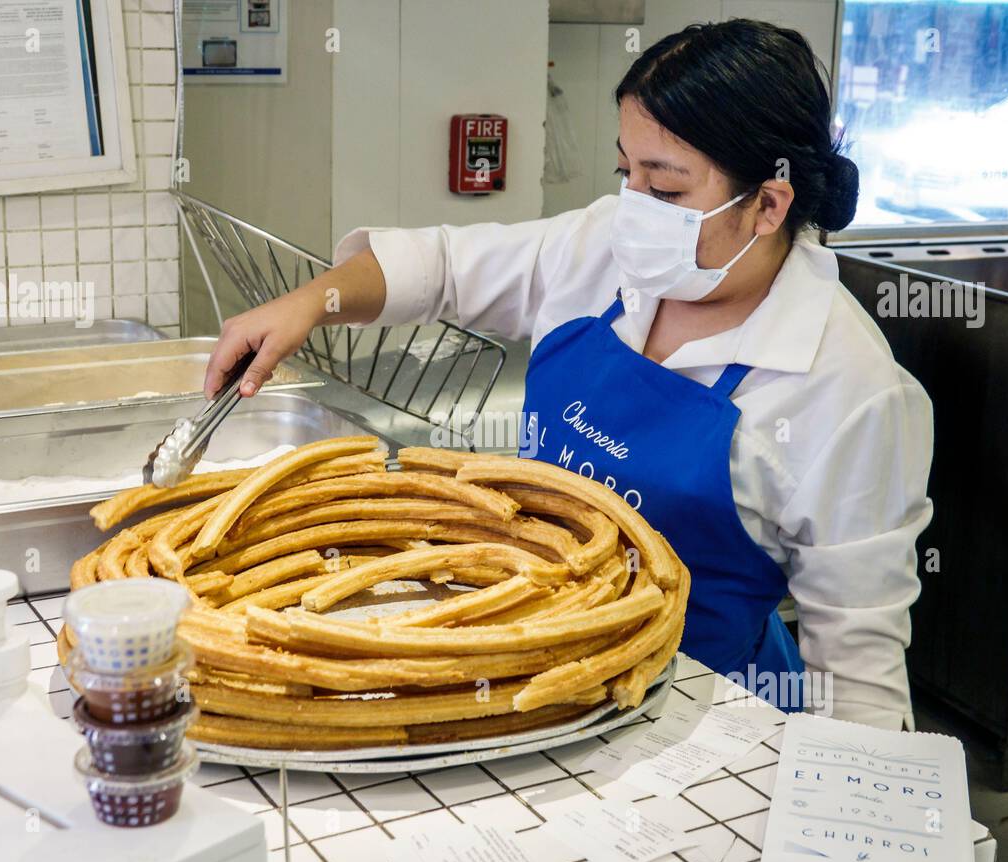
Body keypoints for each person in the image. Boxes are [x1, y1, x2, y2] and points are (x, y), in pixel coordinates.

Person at [202, 20, 934, 730]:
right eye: (627, 172)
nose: (633, 209)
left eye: (668, 190)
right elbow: (444, 266)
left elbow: (857, 663)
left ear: (768, 205)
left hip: (702, 718)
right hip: (530, 673)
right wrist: (310, 302)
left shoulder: (850, 390)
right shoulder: (604, 252)